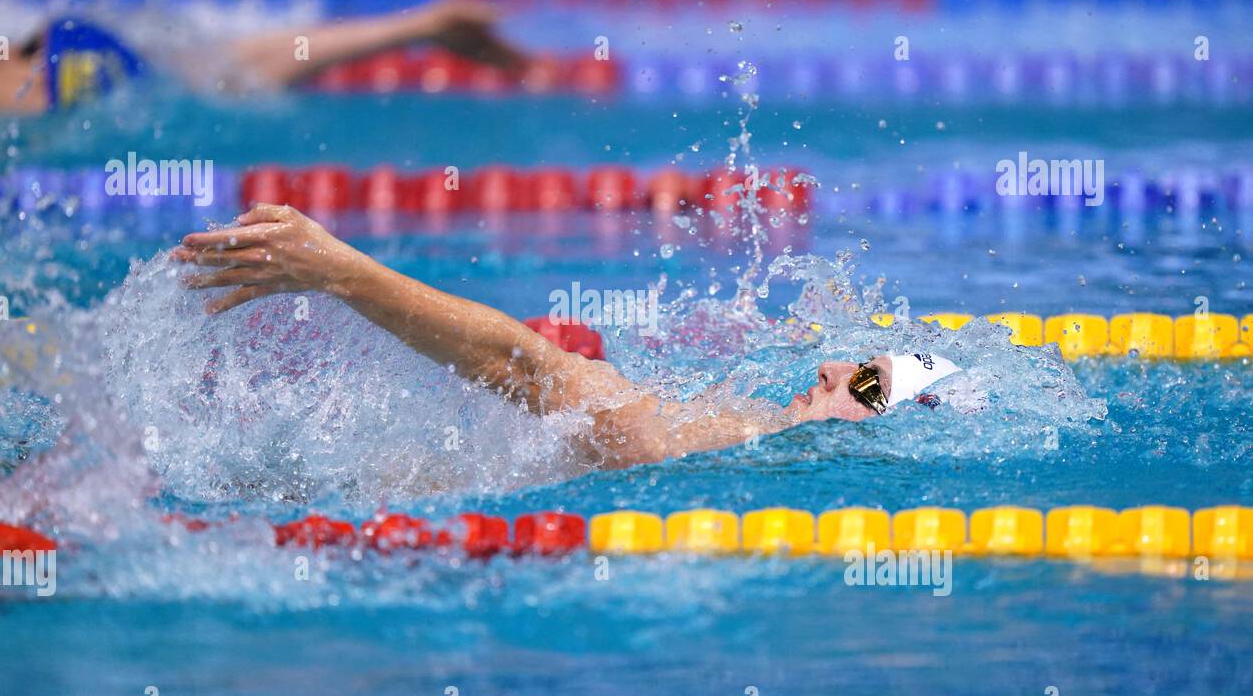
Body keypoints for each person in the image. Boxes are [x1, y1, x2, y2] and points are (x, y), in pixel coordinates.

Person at [172, 205, 964, 471]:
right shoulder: (740, 432)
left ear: (885, 433)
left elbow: (533, 371)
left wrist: (338, 271)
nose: (831, 366)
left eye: (866, 384)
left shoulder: (710, 440)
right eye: (854, 360)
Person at [0, 0, 527, 124]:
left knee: (202, 78)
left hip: (51, 80)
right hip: (68, 58)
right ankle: (419, 25)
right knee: (204, 74)